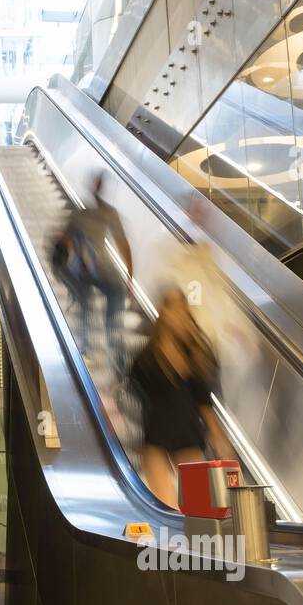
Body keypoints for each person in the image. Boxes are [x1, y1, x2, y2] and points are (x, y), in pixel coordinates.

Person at [129, 287, 233, 509]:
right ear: (163, 311)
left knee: (201, 509)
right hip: (154, 441)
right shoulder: (145, 358)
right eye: (174, 310)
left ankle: (196, 541)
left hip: (188, 438)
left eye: (183, 312)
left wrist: (217, 434)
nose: (179, 316)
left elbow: (204, 402)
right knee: (166, 508)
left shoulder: (193, 355)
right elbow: (133, 401)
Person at [53, 172, 133, 361]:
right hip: (81, 271)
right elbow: (63, 243)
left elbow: (123, 244)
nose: (98, 188)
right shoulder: (78, 214)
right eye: (97, 184)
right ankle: (85, 348)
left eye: (100, 185)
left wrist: (130, 276)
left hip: (98, 270)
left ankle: (111, 349)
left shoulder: (106, 213)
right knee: (84, 303)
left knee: (111, 297)